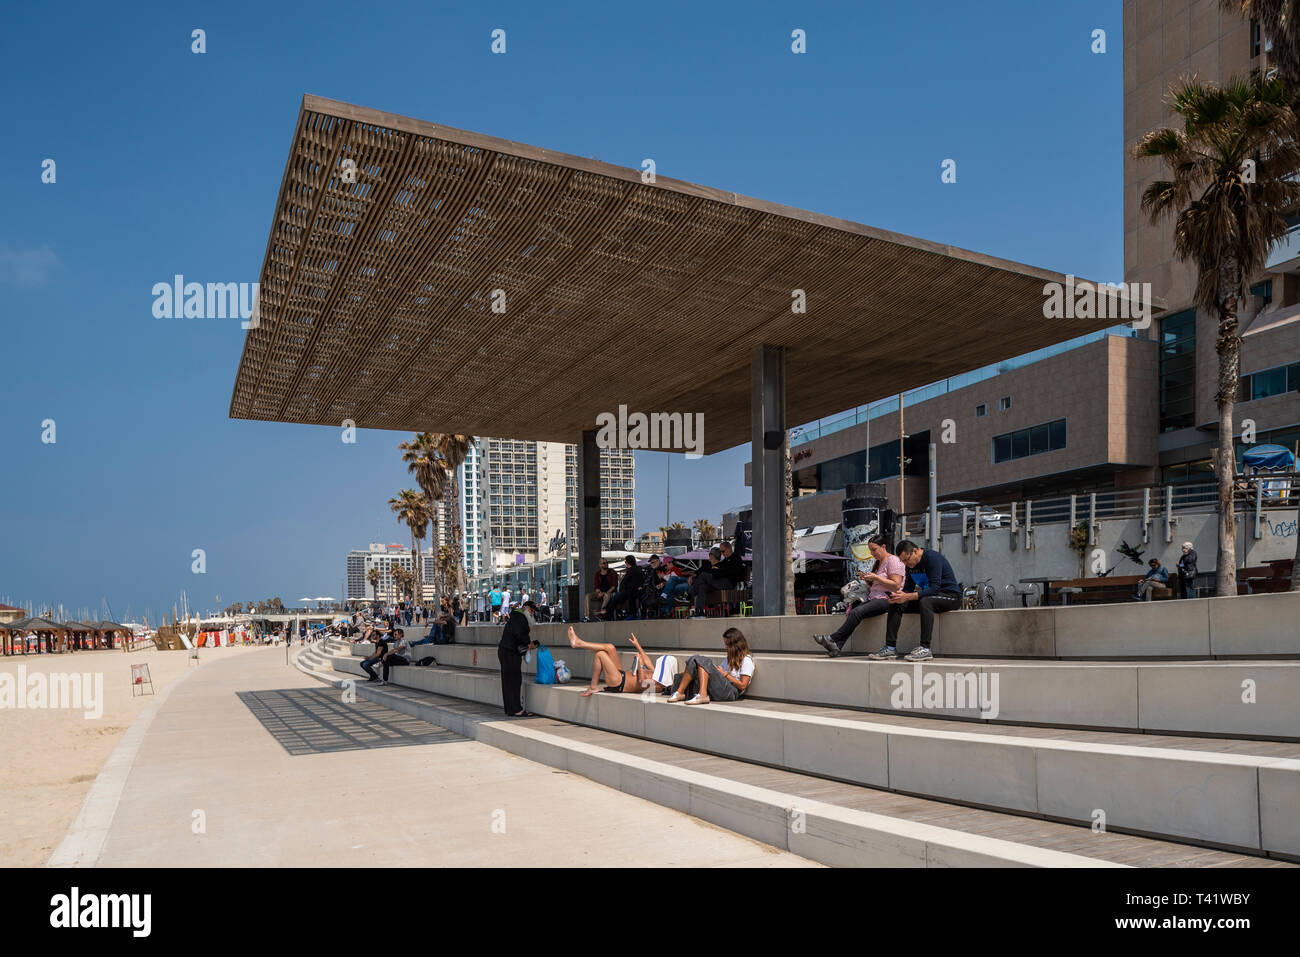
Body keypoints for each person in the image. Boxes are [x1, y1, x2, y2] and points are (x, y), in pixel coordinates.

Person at [868, 540, 961, 661]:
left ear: (915, 551)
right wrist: (898, 596)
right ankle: (890, 648)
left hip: (950, 597)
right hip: (929, 597)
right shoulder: (909, 566)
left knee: (925, 601)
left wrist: (908, 596)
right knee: (897, 603)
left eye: (907, 559)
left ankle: (925, 648)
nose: (906, 564)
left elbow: (935, 588)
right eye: (903, 562)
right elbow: (907, 589)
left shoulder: (932, 558)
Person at [812, 535, 905, 657]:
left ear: (883, 547)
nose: (872, 553)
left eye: (874, 549)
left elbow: (896, 585)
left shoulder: (893, 560)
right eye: (870, 550)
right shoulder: (878, 562)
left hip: (888, 599)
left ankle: (832, 639)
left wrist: (876, 577)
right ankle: (836, 647)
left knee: (856, 612)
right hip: (874, 598)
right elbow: (875, 586)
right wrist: (868, 579)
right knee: (854, 611)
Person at [665, 627, 754, 705]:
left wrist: (725, 675)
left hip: (731, 692)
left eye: (727, 644)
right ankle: (680, 693)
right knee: (694, 660)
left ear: (735, 645)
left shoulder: (746, 660)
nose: (726, 647)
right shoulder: (729, 659)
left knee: (702, 660)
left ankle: (702, 695)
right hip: (721, 687)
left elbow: (743, 686)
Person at [567, 626, 655, 696]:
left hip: (619, 683)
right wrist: (637, 645)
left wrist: (640, 665)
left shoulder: (662, 683)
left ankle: (593, 687)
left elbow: (642, 682)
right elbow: (647, 661)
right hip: (621, 674)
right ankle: (579, 643)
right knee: (610, 647)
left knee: (600, 654)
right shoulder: (658, 672)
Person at [498, 601, 539, 717]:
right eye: (531, 610)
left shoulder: (517, 615)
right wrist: (528, 643)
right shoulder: (519, 616)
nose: (532, 613)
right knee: (513, 681)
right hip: (509, 652)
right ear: (525, 608)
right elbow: (519, 633)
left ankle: (511, 709)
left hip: (507, 651)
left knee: (509, 681)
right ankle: (516, 709)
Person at [688, 540, 744, 617]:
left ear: (729, 549)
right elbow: (719, 571)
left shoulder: (735, 558)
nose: (722, 554)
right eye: (721, 552)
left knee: (704, 575)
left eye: (723, 551)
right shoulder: (726, 560)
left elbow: (732, 573)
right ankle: (699, 611)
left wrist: (719, 571)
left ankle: (690, 592)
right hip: (720, 582)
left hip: (728, 583)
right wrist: (716, 570)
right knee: (703, 587)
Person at [605, 555, 644, 620]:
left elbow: (626, 582)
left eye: (625, 561)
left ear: (628, 562)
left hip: (629, 591)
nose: (625, 562)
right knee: (615, 597)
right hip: (631, 591)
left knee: (614, 598)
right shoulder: (636, 569)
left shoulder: (632, 570)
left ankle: (606, 614)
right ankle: (606, 612)